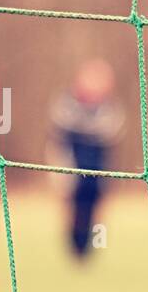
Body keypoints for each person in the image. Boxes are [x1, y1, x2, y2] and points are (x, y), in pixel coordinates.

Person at [51, 59, 124, 259]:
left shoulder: (108, 108)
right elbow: (60, 135)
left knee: (96, 208)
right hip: (72, 165)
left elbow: (111, 133)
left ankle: (93, 247)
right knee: (73, 207)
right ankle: (73, 247)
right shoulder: (66, 103)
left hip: (97, 169)